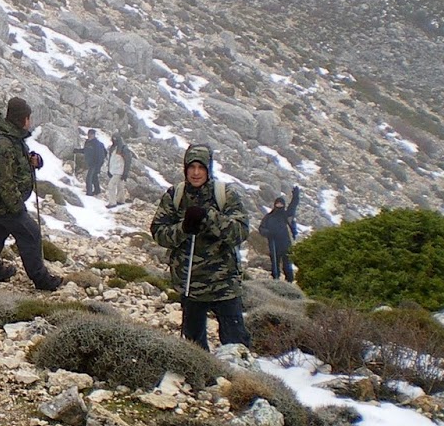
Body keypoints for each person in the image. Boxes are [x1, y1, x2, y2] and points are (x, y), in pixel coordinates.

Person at [150, 144, 251, 349]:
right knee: (194, 347)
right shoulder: (175, 196)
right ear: (185, 168)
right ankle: (202, 379)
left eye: (201, 167)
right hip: (190, 285)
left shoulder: (225, 195)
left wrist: (209, 218)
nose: (196, 173)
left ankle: (239, 378)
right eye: (191, 167)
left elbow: (240, 232)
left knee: (236, 344)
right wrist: (184, 228)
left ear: (209, 169)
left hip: (224, 285)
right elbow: (159, 233)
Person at [0, 97, 64, 291]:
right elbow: (4, 181)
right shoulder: (3, 144)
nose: (30, 122)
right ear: (22, 118)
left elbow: (19, 163)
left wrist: (36, 161)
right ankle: (41, 280)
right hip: (4, 203)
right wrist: (17, 207)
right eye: (28, 118)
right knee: (30, 233)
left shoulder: (13, 138)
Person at [257, 186, 302, 282]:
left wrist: (296, 196)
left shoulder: (286, 215)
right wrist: (268, 233)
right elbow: (261, 228)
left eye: (281, 204)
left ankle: (289, 282)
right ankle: (275, 281)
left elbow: (293, 206)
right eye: (277, 204)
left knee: (287, 265)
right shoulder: (268, 217)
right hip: (273, 243)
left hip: (286, 243)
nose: (279, 205)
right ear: (274, 204)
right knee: (275, 264)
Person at [104, 134, 132, 206]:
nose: (114, 140)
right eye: (113, 139)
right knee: (120, 185)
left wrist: (125, 173)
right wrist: (109, 170)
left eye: (115, 139)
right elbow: (111, 160)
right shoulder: (112, 148)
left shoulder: (123, 148)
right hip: (114, 170)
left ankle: (112, 202)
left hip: (120, 170)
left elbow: (127, 161)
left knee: (111, 185)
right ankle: (120, 200)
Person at [82, 128, 107, 197]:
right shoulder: (87, 142)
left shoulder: (97, 144)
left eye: (91, 134)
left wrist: (98, 166)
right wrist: (77, 151)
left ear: (94, 135)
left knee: (89, 178)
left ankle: (89, 193)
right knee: (94, 177)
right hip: (90, 163)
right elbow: (85, 151)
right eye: (88, 134)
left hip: (95, 163)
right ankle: (97, 190)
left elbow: (101, 155)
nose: (89, 136)